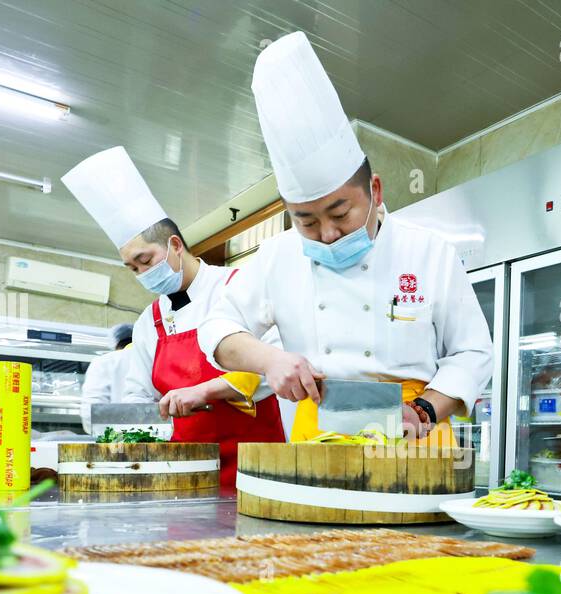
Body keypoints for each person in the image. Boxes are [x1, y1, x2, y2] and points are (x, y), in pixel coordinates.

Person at [192, 32, 492, 444]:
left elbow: (472, 353)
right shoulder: (276, 256)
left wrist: (424, 410)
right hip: (318, 436)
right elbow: (216, 329)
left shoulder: (429, 252)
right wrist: (271, 360)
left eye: (339, 213)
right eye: (307, 222)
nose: (328, 234)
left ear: (376, 192)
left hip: (415, 432)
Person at [61, 147, 284, 488]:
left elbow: (275, 365)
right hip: (184, 473)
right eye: (133, 268)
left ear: (176, 245)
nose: (142, 273)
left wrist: (205, 392)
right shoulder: (149, 321)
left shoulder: (237, 287)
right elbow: (138, 395)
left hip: (256, 463)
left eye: (146, 260)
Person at [79, 322, 134, 434]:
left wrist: (103, 436)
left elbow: (90, 410)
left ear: (115, 342)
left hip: (111, 443)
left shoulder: (103, 362)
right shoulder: (152, 361)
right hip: (151, 440)